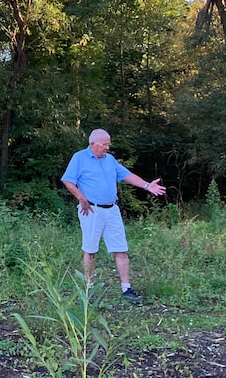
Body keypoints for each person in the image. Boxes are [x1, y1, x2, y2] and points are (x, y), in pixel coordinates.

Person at [60, 128, 165, 304]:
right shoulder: (79, 158)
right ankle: (89, 289)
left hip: (112, 209)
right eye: (105, 144)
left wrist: (147, 186)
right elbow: (67, 180)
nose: (107, 148)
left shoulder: (110, 160)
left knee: (121, 249)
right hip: (91, 210)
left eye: (109, 144)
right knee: (90, 250)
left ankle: (126, 289)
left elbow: (127, 175)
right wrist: (81, 198)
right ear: (93, 143)